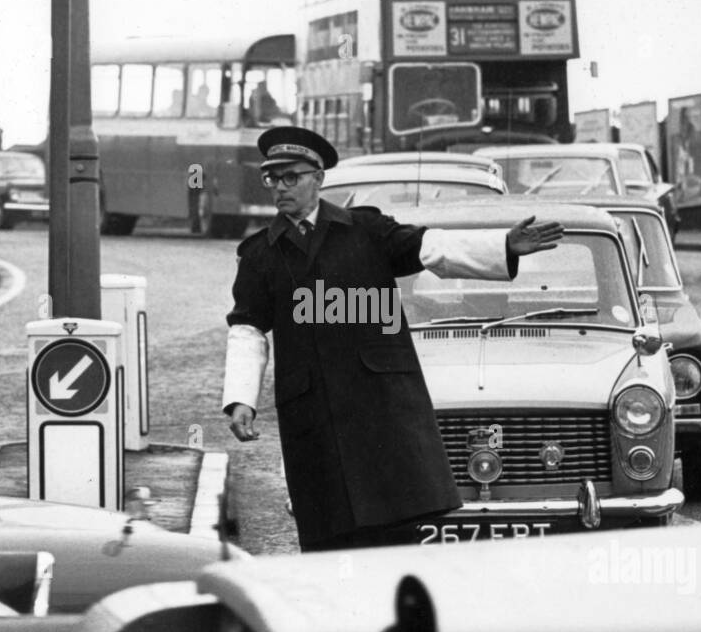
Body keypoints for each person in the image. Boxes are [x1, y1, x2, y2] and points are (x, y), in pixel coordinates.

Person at [222, 126, 565, 551]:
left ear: (318, 178)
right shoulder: (259, 254)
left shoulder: (365, 230)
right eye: (274, 178)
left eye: (292, 176)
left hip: (379, 410)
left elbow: (431, 248)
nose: (281, 188)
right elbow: (247, 327)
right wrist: (241, 398)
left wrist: (503, 245)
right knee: (326, 537)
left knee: (393, 537)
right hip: (312, 416)